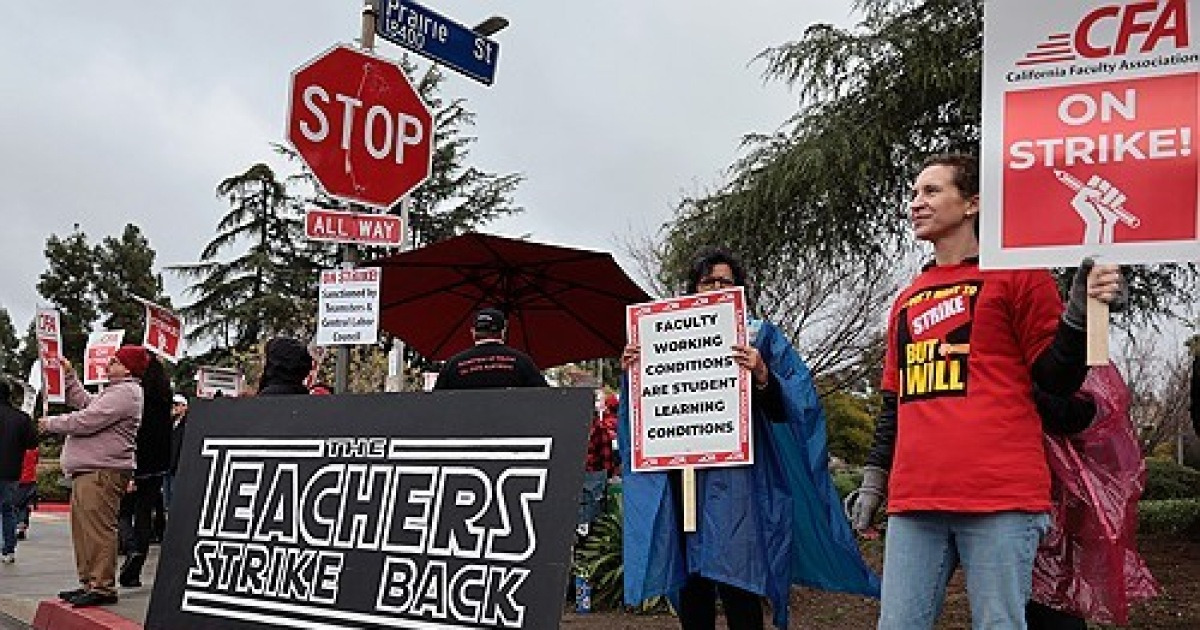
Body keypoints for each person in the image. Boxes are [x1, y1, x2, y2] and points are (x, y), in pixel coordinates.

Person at [848, 154, 1126, 629]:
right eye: (914, 193)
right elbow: (894, 403)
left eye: (932, 191)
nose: (916, 203)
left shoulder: (1020, 275)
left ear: (973, 203)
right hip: (915, 502)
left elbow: (1057, 380)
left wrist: (1079, 315)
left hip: (1001, 499)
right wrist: (875, 480)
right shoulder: (907, 298)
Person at [620, 247, 879, 630]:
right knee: (693, 585)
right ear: (692, 288)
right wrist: (635, 371)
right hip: (683, 480)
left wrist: (761, 374)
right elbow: (642, 417)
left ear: (739, 289)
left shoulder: (760, 337)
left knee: (740, 582)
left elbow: (792, 407)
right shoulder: (661, 335)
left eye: (726, 281)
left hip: (738, 484)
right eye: (708, 281)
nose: (717, 287)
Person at [39, 346, 147, 607]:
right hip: (93, 469)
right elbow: (87, 404)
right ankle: (90, 581)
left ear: (128, 368)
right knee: (84, 530)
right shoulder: (114, 392)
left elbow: (88, 419)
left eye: (115, 361)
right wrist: (70, 377)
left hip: (102, 470)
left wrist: (52, 423)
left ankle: (102, 585)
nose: (108, 365)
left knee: (98, 530)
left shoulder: (126, 393)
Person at [117, 354, 172, 587]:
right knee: (144, 514)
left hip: (136, 461)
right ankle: (136, 567)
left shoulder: (138, 398)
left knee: (122, 512)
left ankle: (130, 548)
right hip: (158, 465)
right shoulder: (164, 398)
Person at [433, 308, 548, 389]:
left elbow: (436, 404)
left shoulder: (453, 365)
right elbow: (544, 399)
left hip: (465, 422)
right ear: (503, 332)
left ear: (473, 332)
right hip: (512, 422)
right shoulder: (522, 362)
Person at [1, 377, 38, 563]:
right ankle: (8, 550)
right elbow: (32, 443)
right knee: (8, 510)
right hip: (10, 472)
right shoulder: (21, 418)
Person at [163, 394, 188, 510]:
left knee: (175, 495)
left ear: (185, 407)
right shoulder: (170, 424)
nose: (174, 407)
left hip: (177, 467)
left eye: (177, 405)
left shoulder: (187, 426)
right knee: (166, 498)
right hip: (167, 465)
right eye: (173, 405)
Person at [14, 447, 39, 541]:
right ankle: (22, 526)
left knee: (15, 504)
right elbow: (36, 461)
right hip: (31, 480)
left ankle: (18, 525)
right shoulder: (34, 449)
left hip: (17, 479)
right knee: (25, 504)